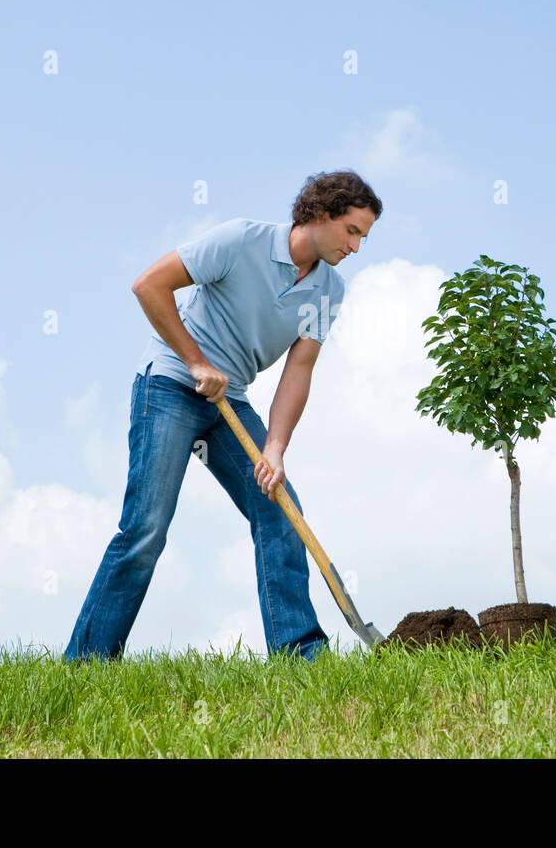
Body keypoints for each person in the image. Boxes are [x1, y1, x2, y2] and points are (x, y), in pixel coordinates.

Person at [63, 170, 382, 664]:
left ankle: (300, 653)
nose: (358, 246)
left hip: (230, 401)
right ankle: (87, 661)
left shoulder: (329, 289)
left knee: (279, 510)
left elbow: (300, 368)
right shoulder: (240, 240)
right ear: (322, 214)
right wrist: (195, 361)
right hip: (170, 383)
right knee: (147, 527)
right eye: (353, 231)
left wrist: (274, 447)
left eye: (364, 236)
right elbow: (148, 285)